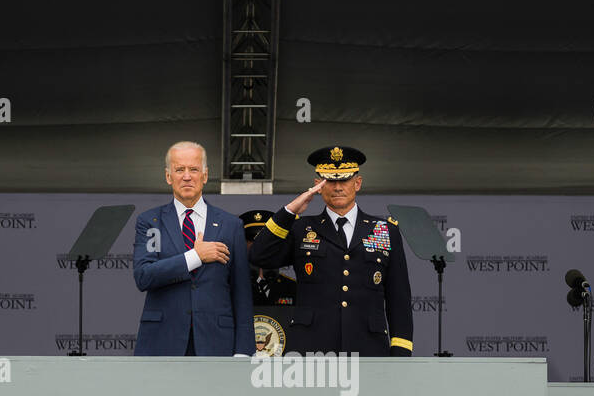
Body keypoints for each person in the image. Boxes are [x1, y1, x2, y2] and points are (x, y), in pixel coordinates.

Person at [249, 145, 413, 356]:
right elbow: (259, 255)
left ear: (358, 183)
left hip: (368, 347)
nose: (337, 187)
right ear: (318, 185)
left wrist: (401, 351)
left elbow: (398, 297)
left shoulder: (383, 230)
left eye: (344, 180)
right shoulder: (301, 228)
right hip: (310, 348)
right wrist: (289, 211)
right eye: (330, 180)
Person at [132, 142, 254, 356]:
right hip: (162, 340)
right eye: (179, 170)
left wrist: (244, 350)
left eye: (194, 169)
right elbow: (144, 276)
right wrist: (195, 256)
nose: (187, 176)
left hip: (216, 341)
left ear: (205, 176)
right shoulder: (151, 222)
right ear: (168, 176)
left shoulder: (230, 225)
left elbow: (241, 291)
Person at [240, 210, 296, 306]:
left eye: (266, 241)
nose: (258, 245)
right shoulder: (231, 287)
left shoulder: (294, 288)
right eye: (251, 238)